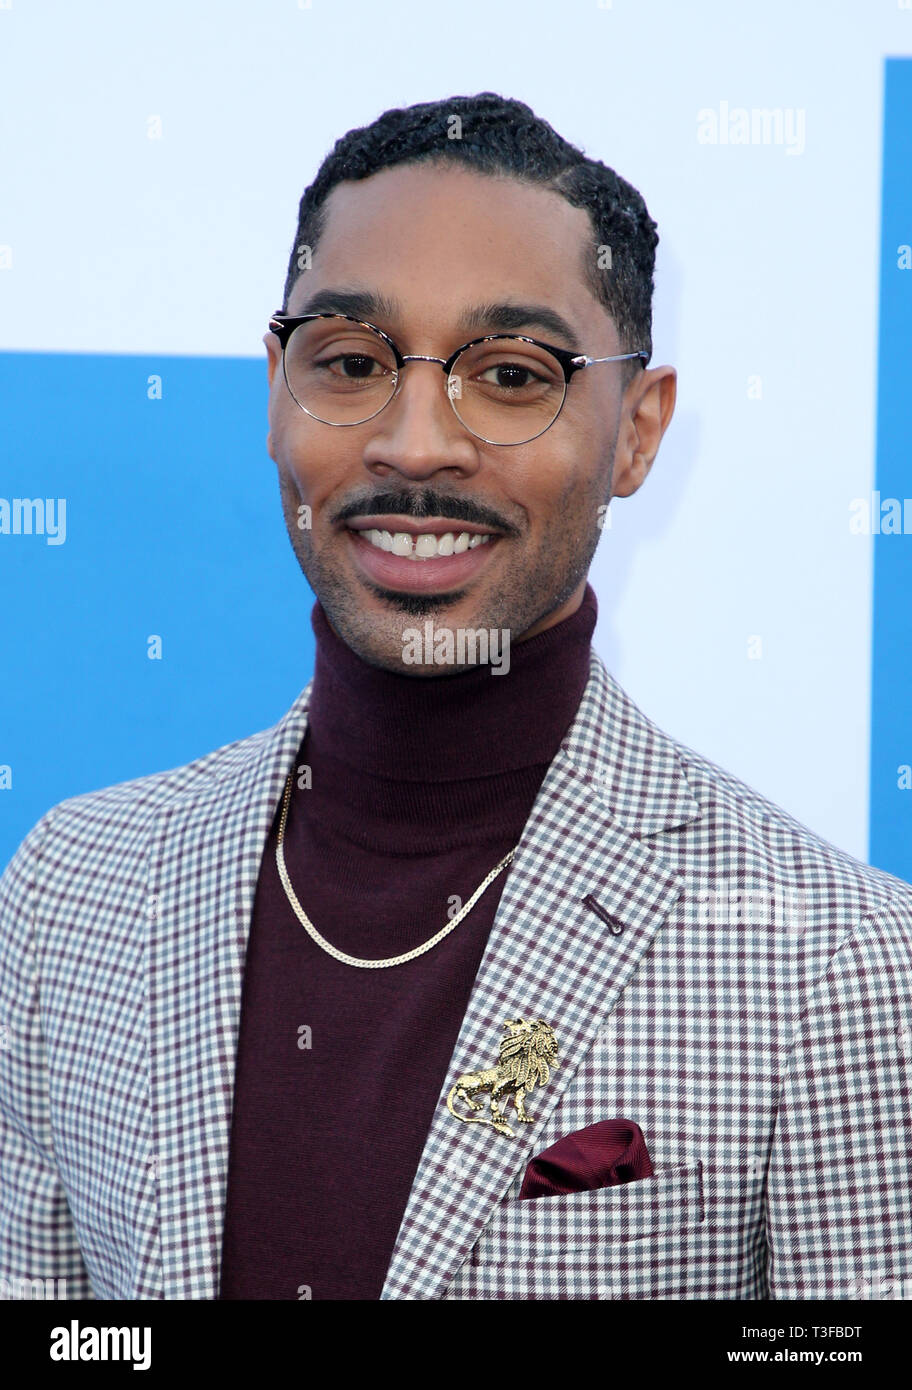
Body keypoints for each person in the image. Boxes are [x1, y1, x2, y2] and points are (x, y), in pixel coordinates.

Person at [2, 92, 910, 1302]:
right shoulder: (73, 892)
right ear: (277, 390)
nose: (417, 442)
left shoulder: (831, 961)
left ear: (638, 433)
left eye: (513, 375)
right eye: (352, 363)